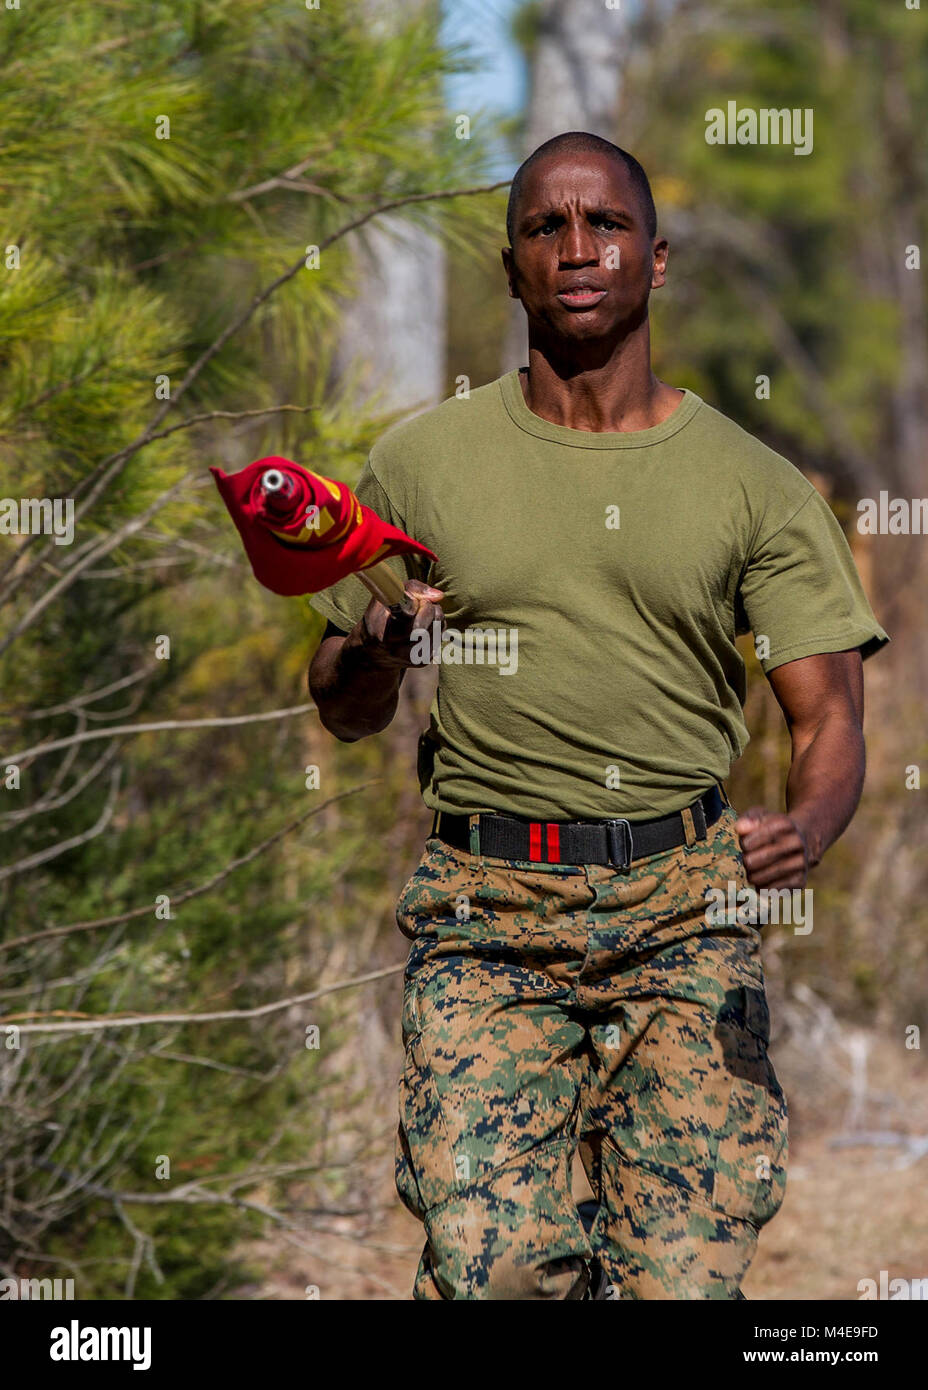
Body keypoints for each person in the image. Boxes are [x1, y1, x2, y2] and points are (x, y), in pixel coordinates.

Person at [307, 131, 888, 1300]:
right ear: (510, 265)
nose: (576, 250)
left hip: (685, 910)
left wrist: (807, 827)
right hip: (485, 914)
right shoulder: (421, 464)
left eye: (605, 225)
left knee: (680, 1282)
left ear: (656, 259)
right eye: (544, 228)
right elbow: (340, 704)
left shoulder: (751, 483)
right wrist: (380, 650)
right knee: (497, 1274)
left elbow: (828, 719)